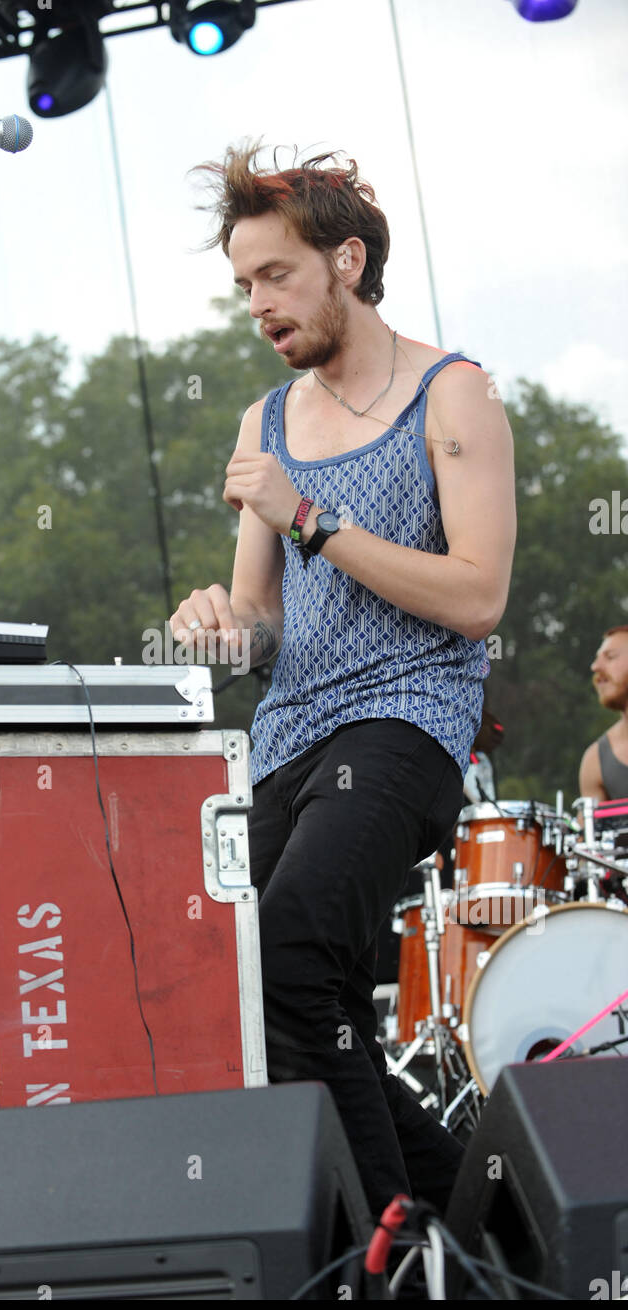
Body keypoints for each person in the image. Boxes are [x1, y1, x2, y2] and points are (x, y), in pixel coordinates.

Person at [168, 142, 516, 1219]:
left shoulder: (453, 394)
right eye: (243, 287)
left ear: (348, 261)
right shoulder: (263, 425)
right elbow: (262, 623)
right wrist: (215, 626)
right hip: (289, 736)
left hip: (407, 724)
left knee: (287, 958)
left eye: (276, 276)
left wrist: (312, 517)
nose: (258, 307)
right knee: (235, 996)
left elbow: (476, 597)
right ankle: (492, 1224)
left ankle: (398, 1260)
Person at [579, 626, 628, 800]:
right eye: (597, 659)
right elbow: (588, 826)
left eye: (610, 657)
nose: (595, 667)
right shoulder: (596, 760)